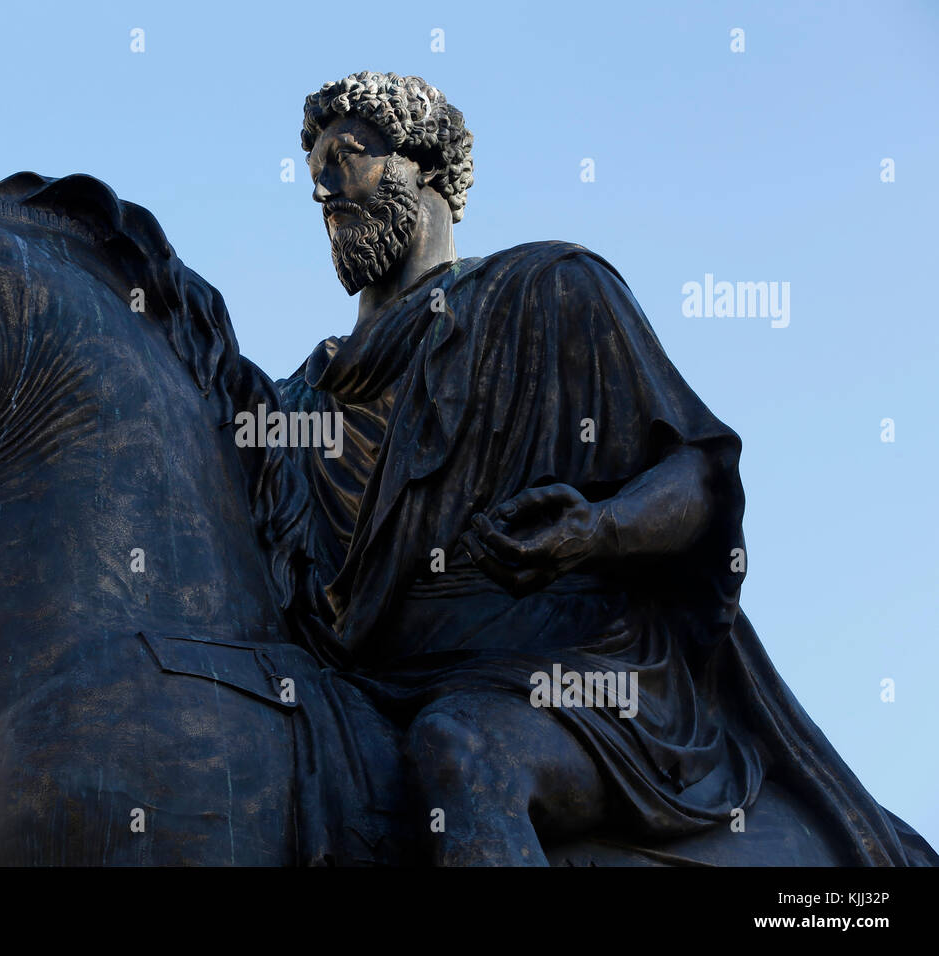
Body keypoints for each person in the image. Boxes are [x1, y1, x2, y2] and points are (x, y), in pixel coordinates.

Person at [278, 70, 934, 865]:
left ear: (430, 167)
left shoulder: (550, 289)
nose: (324, 183)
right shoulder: (301, 400)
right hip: (369, 684)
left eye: (350, 153)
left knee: (466, 752)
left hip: (577, 675)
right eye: (314, 166)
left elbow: (695, 476)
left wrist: (597, 528)